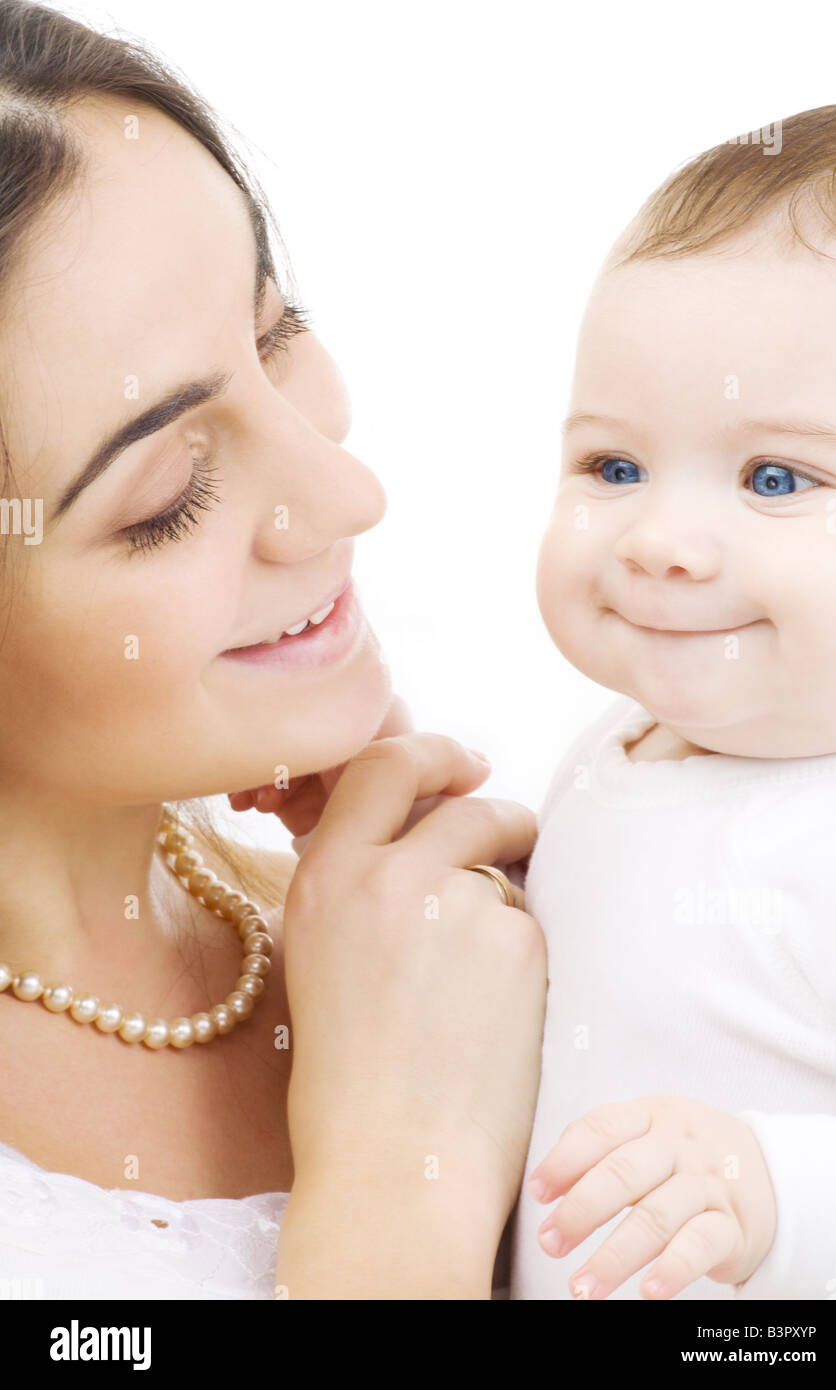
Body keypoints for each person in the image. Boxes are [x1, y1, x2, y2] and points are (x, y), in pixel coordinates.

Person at [0, 0, 546, 1300]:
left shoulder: (410, 919)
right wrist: (391, 1173)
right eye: (170, 493)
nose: (349, 495)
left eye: (275, 331)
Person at [510, 102, 836, 1300]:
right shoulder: (608, 751)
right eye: (612, 467)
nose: (659, 538)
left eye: (774, 477)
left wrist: (775, 1187)